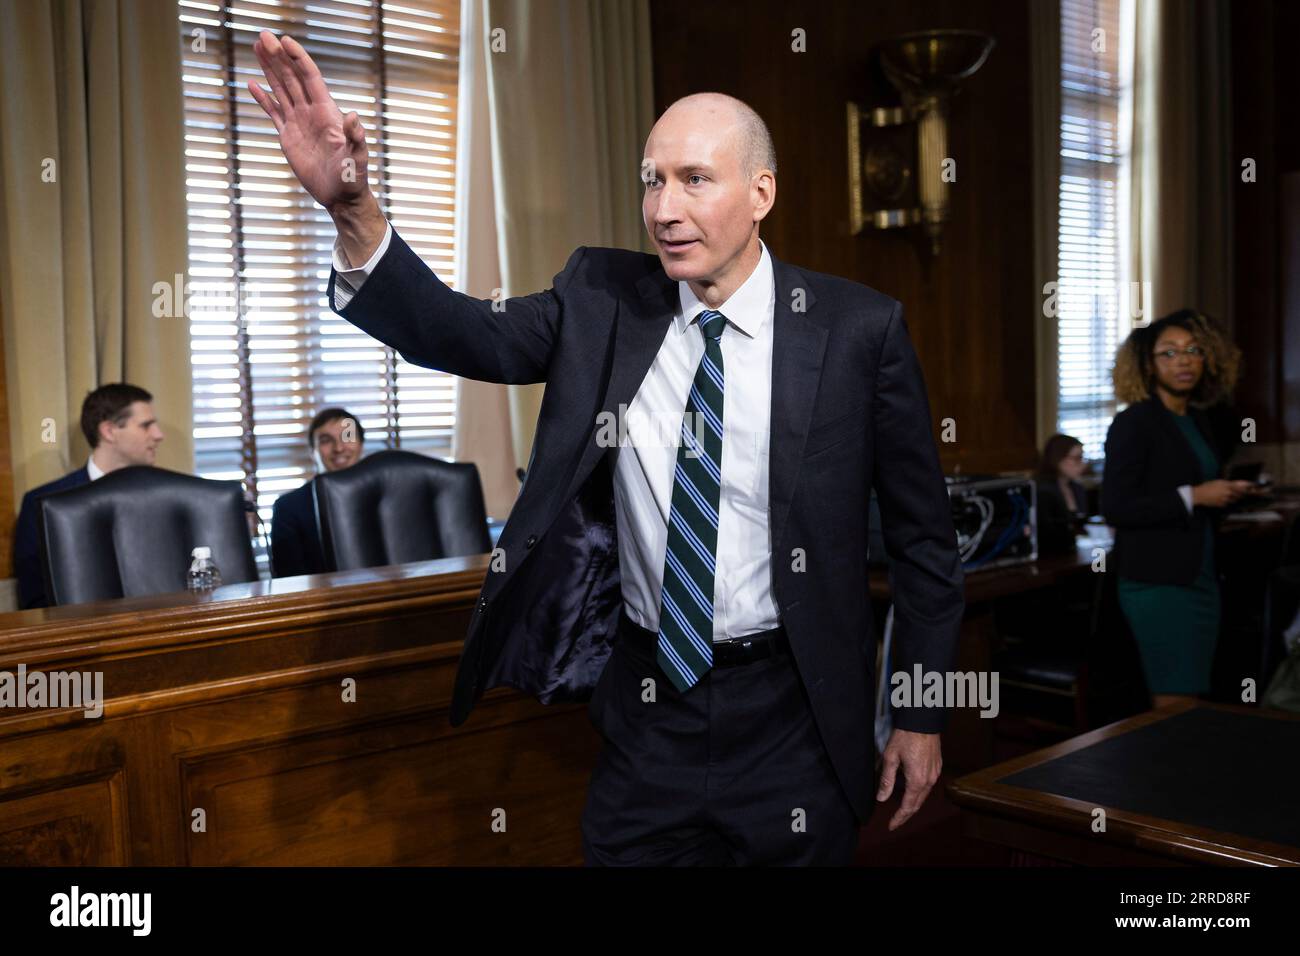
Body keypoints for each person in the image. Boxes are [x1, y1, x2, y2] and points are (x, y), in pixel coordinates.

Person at [250, 31, 964, 865]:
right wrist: (352, 208)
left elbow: (924, 544)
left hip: (796, 712)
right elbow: (461, 332)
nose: (664, 208)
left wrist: (920, 711)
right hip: (647, 707)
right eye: (652, 181)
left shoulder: (857, 329)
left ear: (762, 191)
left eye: (695, 180)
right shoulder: (600, 301)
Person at [1101, 309, 1259, 709]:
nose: (1183, 360)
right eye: (1168, 353)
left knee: (1193, 696)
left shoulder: (1200, 420)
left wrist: (1224, 494)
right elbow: (1117, 506)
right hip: (1158, 583)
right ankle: (1171, 774)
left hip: (1200, 573)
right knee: (1175, 701)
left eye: (1192, 351)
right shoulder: (1134, 423)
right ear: (1148, 365)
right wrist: (1195, 496)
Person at [13, 383, 164, 609]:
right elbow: (36, 600)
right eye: (146, 425)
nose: (159, 435)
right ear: (109, 431)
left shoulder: (167, 495)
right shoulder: (42, 502)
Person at [270, 407, 365, 578]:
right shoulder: (288, 508)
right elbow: (290, 579)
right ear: (313, 451)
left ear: (361, 444)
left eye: (348, 436)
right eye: (326, 440)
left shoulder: (387, 500)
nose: (339, 448)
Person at [1036, 433, 1088, 555]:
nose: (1082, 464)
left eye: (1082, 457)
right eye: (1076, 458)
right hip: (1050, 556)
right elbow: (1046, 533)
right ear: (1058, 458)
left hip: (1075, 552)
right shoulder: (1042, 492)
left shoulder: (1077, 488)